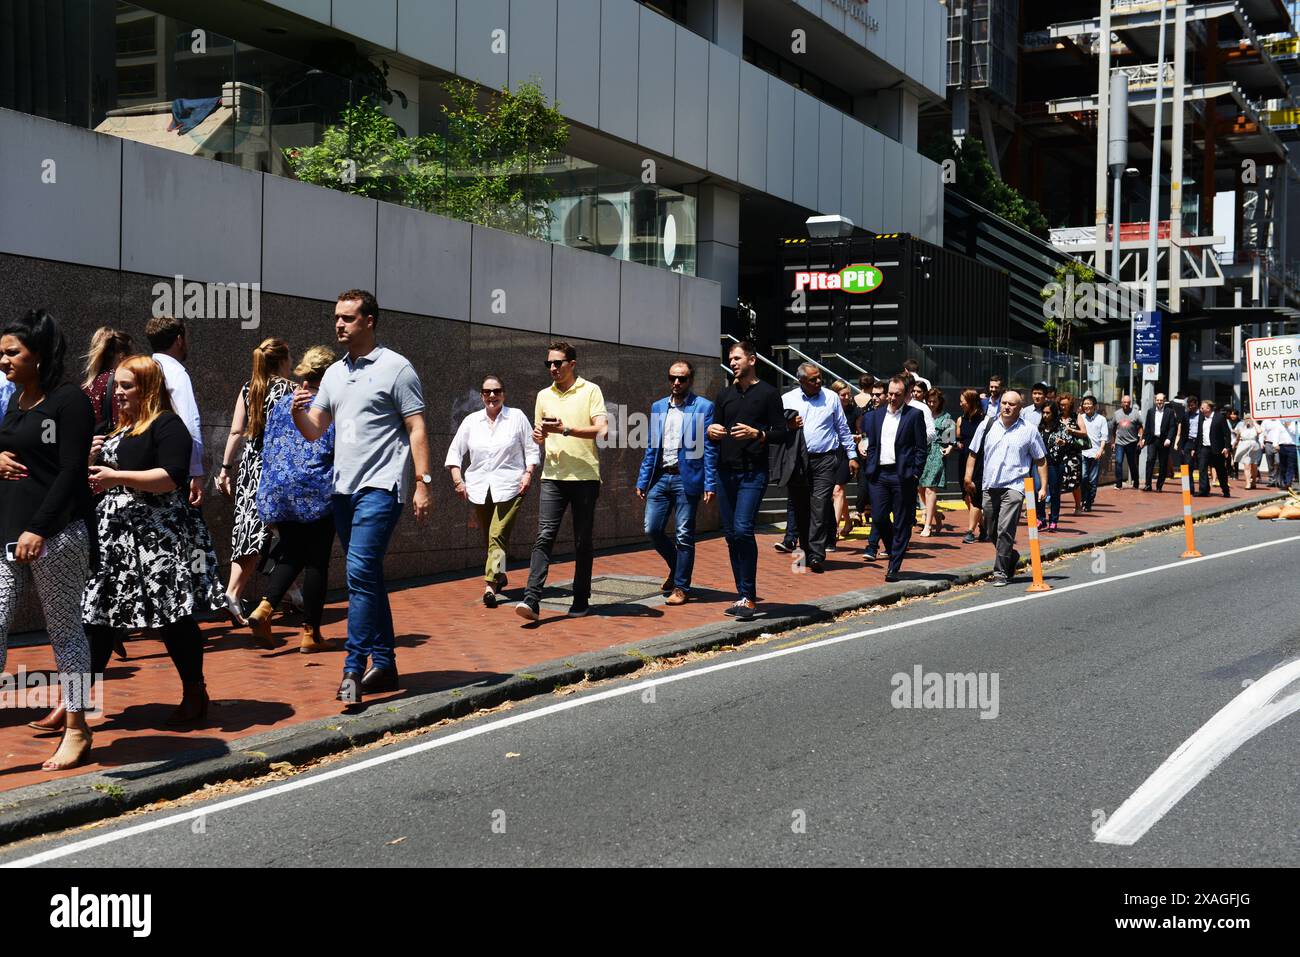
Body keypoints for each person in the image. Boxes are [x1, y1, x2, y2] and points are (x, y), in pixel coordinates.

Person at [292, 289, 432, 704]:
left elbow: (417, 428)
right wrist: (300, 410)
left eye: (348, 318)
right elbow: (315, 429)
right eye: (336, 317)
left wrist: (423, 481)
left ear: (369, 321)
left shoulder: (397, 368)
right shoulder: (334, 373)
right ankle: (385, 665)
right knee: (368, 577)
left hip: (381, 487)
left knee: (357, 574)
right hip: (343, 489)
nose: (339, 324)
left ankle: (353, 669)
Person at [81, 355, 227, 725]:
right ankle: (74, 704)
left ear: (147, 388)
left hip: (156, 537)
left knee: (172, 616)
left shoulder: (166, 425)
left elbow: (170, 477)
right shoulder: (115, 428)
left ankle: (195, 690)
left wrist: (117, 477)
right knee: (95, 617)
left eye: (126, 386)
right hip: (113, 539)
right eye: (116, 386)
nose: (118, 393)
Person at [0, 310, 96, 770]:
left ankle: (78, 727)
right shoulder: (18, 401)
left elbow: (71, 470)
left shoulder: (69, 401)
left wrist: (39, 527)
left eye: (11, 352)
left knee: (64, 631)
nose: (3, 360)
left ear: (38, 354)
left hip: (57, 534)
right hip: (7, 535)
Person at [250, 346, 339, 652]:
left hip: (279, 490)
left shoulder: (282, 403)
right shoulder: (330, 406)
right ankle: (310, 634)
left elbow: (269, 446)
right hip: (316, 492)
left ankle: (264, 609)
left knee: (292, 553)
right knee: (316, 562)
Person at [514, 341, 608, 621]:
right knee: (544, 536)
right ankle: (531, 600)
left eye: (558, 363)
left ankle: (581, 599)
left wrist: (566, 429)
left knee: (582, 540)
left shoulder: (591, 390)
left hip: (585, 477)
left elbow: (602, 430)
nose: (552, 368)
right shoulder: (543, 395)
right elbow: (540, 433)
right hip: (552, 476)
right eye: (549, 364)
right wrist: (539, 436)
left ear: (572, 364)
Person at [216, 338, 293, 628]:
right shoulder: (289, 390)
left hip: (250, 467)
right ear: (283, 361)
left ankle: (289, 592)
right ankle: (234, 593)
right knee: (269, 532)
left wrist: (225, 468)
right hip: (278, 468)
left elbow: (236, 431)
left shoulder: (250, 388)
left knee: (253, 528)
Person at [708, 340, 786, 620]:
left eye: (737, 358)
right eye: (730, 359)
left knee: (742, 529)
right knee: (730, 536)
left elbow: (782, 432)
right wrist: (712, 431)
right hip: (725, 471)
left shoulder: (768, 393)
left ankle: (749, 597)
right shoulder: (724, 395)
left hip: (753, 472)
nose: (733, 362)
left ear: (752, 360)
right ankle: (743, 595)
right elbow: (714, 428)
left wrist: (758, 434)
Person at [448, 374, 539, 608]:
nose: (492, 396)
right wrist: (458, 481)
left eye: (496, 391)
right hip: (479, 487)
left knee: (497, 534)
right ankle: (500, 574)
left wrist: (528, 473)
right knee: (489, 535)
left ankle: (490, 585)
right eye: (487, 392)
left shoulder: (516, 417)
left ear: (503, 394)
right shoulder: (471, 421)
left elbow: (531, 449)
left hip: (512, 485)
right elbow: (455, 453)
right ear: (481, 396)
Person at [636, 361, 716, 605]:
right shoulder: (659, 407)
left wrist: (710, 483)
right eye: (672, 378)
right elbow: (651, 446)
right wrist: (642, 479)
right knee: (652, 528)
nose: (676, 383)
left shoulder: (703, 407)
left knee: (684, 534)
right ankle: (676, 566)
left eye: (681, 379)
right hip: (660, 477)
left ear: (690, 380)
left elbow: (710, 449)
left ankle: (681, 587)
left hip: (686, 478)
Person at [965, 391, 1047, 586]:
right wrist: (967, 477)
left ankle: (1000, 572)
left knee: (1005, 530)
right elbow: (973, 453)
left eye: (1012, 404)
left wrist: (1043, 486)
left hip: (1015, 486)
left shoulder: (1029, 430)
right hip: (989, 485)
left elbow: (1041, 459)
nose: (1007, 407)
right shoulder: (987, 425)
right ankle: (1011, 555)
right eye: (1004, 403)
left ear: (1019, 408)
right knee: (991, 528)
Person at [781, 364, 857, 573]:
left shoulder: (831, 397)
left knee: (820, 504)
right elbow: (776, 428)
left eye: (820, 378)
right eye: (813, 380)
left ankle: (816, 554)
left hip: (825, 459)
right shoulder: (788, 399)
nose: (818, 382)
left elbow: (842, 427)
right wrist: (788, 425)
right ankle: (805, 551)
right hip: (798, 461)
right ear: (801, 381)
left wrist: (852, 455)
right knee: (801, 507)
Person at [859, 375, 927, 582]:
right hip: (878, 474)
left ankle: (894, 566)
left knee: (902, 521)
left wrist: (915, 472)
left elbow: (921, 447)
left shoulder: (914, 415)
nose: (892, 398)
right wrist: (866, 454)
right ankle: (892, 548)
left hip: (902, 475)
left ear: (906, 395)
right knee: (878, 518)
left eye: (897, 394)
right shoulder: (874, 416)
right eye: (890, 393)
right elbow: (867, 440)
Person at [145, 316, 205, 508]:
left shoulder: (143, 370)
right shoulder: (176, 373)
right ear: (179, 340)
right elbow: (189, 422)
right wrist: (196, 471)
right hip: (172, 466)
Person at [81, 327, 133, 434]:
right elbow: (120, 423)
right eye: (132, 357)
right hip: (111, 445)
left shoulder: (89, 383)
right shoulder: (117, 381)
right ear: (122, 357)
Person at [918, 388, 953, 536]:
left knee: (930, 488)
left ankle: (928, 525)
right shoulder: (922, 414)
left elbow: (949, 439)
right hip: (921, 451)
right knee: (920, 487)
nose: (932, 404)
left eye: (934, 401)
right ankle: (937, 515)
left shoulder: (946, 417)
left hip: (936, 453)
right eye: (929, 401)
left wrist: (949, 447)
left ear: (940, 402)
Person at [954, 389, 986, 544]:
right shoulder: (960, 419)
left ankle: (970, 531)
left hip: (979, 461)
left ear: (972, 401)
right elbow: (959, 438)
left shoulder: (984, 420)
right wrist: (956, 444)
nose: (960, 404)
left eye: (963, 401)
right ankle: (984, 526)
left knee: (974, 495)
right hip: (963, 460)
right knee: (966, 497)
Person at [832, 380, 860, 540]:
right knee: (837, 492)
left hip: (848, 454)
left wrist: (857, 438)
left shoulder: (854, 411)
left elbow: (862, 432)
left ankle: (833, 529)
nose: (847, 397)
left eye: (849, 394)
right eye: (843, 395)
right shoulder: (829, 410)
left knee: (838, 490)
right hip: (831, 452)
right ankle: (847, 522)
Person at [1038, 401, 1071, 532]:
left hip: (1055, 464)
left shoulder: (1061, 428)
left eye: (1048, 413)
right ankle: (1041, 518)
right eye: (1044, 413)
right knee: (1038, 490)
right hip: (1040, 463)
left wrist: (1063, 443)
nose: (1045, 415)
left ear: (1054, 414)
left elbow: (1070, 443)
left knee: (1055, 492)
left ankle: (1053, 520)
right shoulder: (1039, 428)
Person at [1140, 392, 1178, 491]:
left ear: (1164, 401)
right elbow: (1147, 426)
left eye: (1161, 400)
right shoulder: (1150, 411)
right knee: (1150, 461)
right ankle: (1148, 485)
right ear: (1155, 401)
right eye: (1157, 400)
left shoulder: (1169, 412)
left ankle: (1159, 486)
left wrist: (1169, 439)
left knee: (1163, 463)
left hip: (1164, 441)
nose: (1159, 402)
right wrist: (1144, 438)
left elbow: (1173, 427)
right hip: (1152, 440)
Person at [1196, 399, 1232, 498]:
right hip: (1204, 448)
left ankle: (1225, 489)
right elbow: (1199, 434)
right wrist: (1196, 448)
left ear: (1208, 408)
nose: (1201, 409)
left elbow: (1227, 434)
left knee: (1220, 470)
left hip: (1217, 448)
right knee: (1202, 468)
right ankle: (1203, 490)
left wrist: (1227, 447)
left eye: (1202, 408)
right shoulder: (1201, 418)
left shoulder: (1219, 417)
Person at [1057, 393, 1086, 514]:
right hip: (1058, 453)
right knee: (1057, 480)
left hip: (1072, 453)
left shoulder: (1076, 416)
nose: (1063, 407)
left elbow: (1084, 432)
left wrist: (1072, 430)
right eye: (1061, 404)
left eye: (1066, 405)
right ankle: (1055, 508)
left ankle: (1078, 506)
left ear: (1070, 405)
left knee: (1075, 480)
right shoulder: (1056, 416)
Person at [1079, 395, 1108, 512]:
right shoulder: (1080, 418)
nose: (1087, 406)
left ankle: (1089, 501)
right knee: (1083, 477)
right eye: (1085, 404)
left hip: (1096, 453)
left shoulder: (1101, 419)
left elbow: (1104, 437)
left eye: (1089, 403)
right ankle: (1084, 499)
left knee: (1092, 480)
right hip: (1083, 452)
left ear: (1095, 406)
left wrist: (1101, 450)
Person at [1110, 394, 1141, 490]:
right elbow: (1113, 427)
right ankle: (1118, 483)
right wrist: (1113, 441)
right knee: (1118, 461)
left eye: (1128, 402)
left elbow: (1141, 426)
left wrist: (1140, 439)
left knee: (1132, 464)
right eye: (1124, 402)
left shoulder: (1135, 413)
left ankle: (1136, 482)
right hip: (1119, 442)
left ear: (1130, 403)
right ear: (1121, 403)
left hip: (1132, 442)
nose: (1126, 404)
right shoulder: (1116, 414)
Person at [1265, 417, 1298, 489]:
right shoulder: (1279, 422)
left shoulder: (1296, 422)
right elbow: (1276, 434)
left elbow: (1297, 433)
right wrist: (1275, 444)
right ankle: (1283, 483)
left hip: (1292, 446)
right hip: (1282, 446)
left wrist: (1288, 426)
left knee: (1291, 465)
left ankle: (1288, 483)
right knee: (1282, 465)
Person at [1233, 413, 1264, 489]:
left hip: (1254, 446)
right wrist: (1235, 443)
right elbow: (1238, 437)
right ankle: (1248, 483)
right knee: (1247, 465)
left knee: (1254, 465)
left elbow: (1260, 431)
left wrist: (1254, 421)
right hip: (1244, 445)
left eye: (1249, 418)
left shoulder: (1255, 427)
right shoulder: (1241, 427)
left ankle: (1253, 481)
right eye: (1246, 419)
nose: (1247, 420)